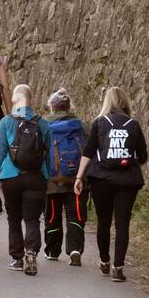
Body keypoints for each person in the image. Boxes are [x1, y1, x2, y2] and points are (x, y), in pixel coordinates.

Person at [74, 87, 148, 282]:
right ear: (125, 103)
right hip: (127, 181)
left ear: (107, 102)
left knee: (103, 221)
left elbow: (88, 152)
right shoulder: (134, 125)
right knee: (122, 223)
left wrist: (79, 178)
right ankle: (118, 267)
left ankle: (104, 261)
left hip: (101, 179)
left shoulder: (99, 124)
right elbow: (143, 156)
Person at [0, 84, 52, 276]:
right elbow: (48, 153)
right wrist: (47, 176)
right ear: (30, 100)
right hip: (36, 177)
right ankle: (31, 251)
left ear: (16, 100)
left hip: (10, 177)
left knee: (14, 218)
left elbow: (0, 149)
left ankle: (17, 258)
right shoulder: (43, 124)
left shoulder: (6, 122)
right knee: (32, 218)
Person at [42, 89, 89, 266]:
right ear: (69, 107)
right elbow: (90, 151)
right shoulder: (82, 126)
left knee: (53, 215)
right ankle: (75, 249)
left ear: (52, 107)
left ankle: (53, 251)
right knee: (76, 214)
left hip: (52, 180)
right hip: (78, 179)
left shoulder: (44, 125)